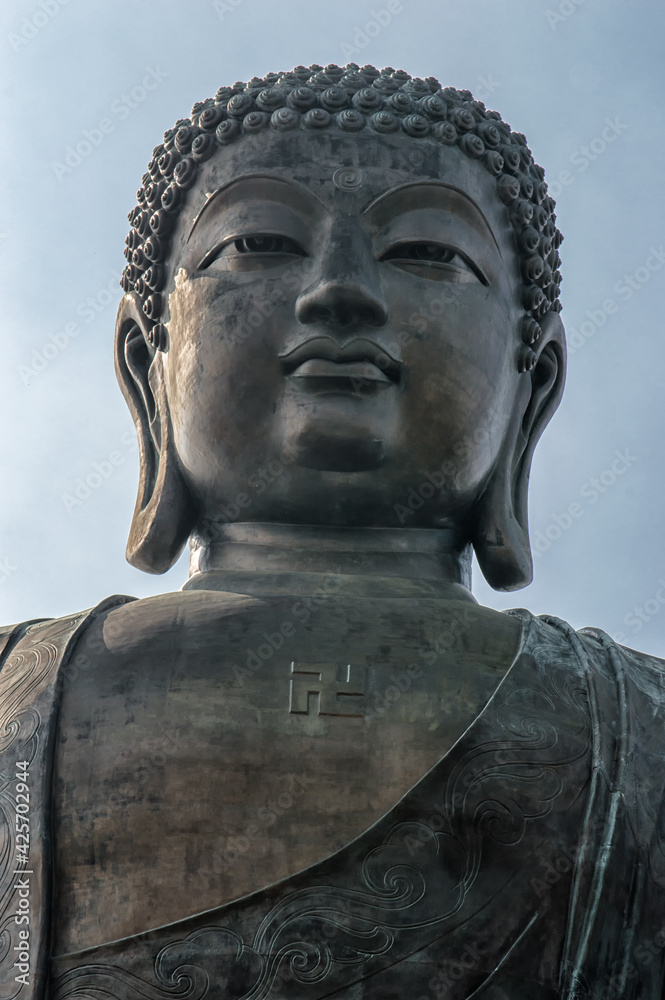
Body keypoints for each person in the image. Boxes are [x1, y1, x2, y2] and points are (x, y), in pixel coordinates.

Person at [1, 63, 664, 1000]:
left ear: (533, 383)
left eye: (428, 255)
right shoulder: (9, 700)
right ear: (145, 365)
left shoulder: (640, 731)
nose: (340, 292)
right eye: (257, 241)